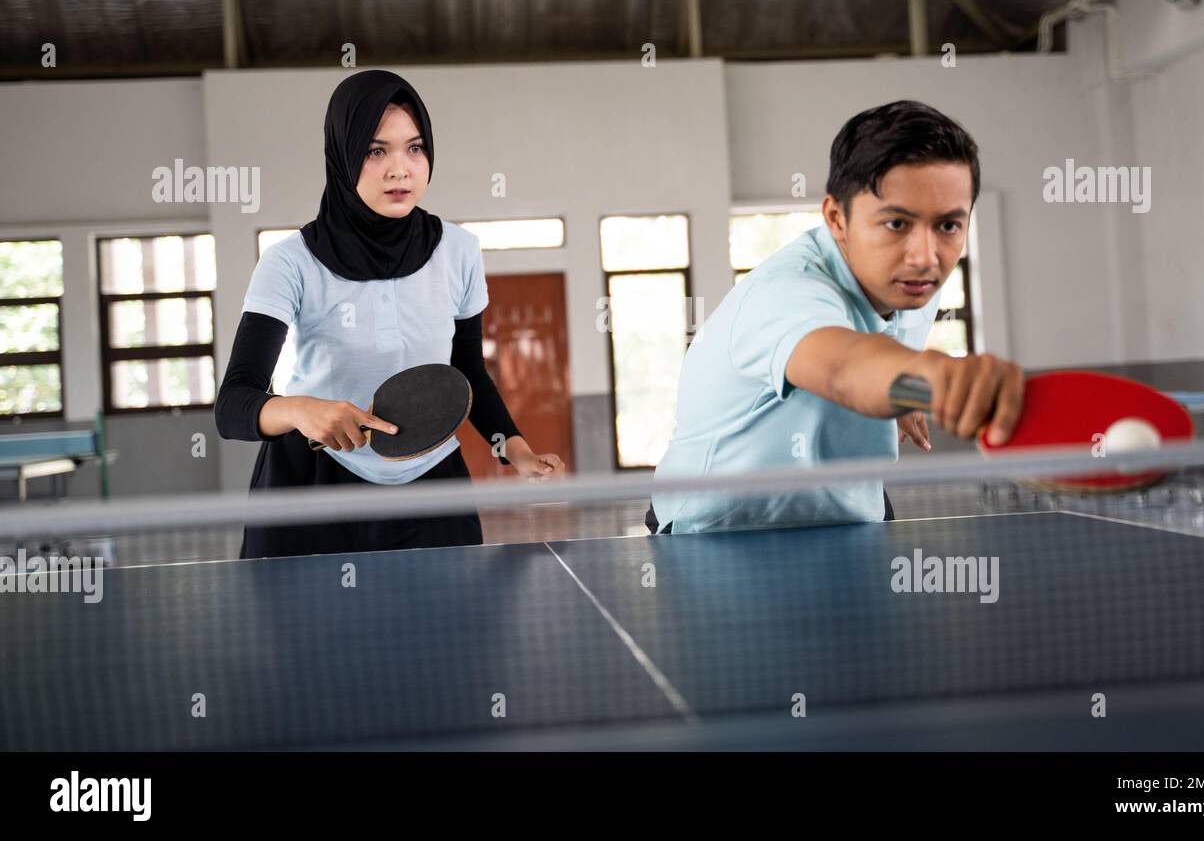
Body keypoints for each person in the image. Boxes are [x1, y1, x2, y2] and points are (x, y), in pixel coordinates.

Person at [216, 69, 564, 558]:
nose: (400, 169)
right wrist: (301, 410)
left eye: (415, 148)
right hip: (311, 489)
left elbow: (465, 372)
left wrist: (515, 448)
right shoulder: (288, 261)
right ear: (342, 155)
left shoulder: (459, 251)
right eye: (376, 150)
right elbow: (233, 405)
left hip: (431, 489)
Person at [648, 99, 1022, 534]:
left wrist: (898, 388)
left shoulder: (909, 283)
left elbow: (876, 357)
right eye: (897, 224)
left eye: (948, 226)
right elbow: (845, 367)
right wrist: (930, 376)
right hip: (721, 532)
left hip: (848, 515)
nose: (926, 257)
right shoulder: (787, 293)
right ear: (836, 218)